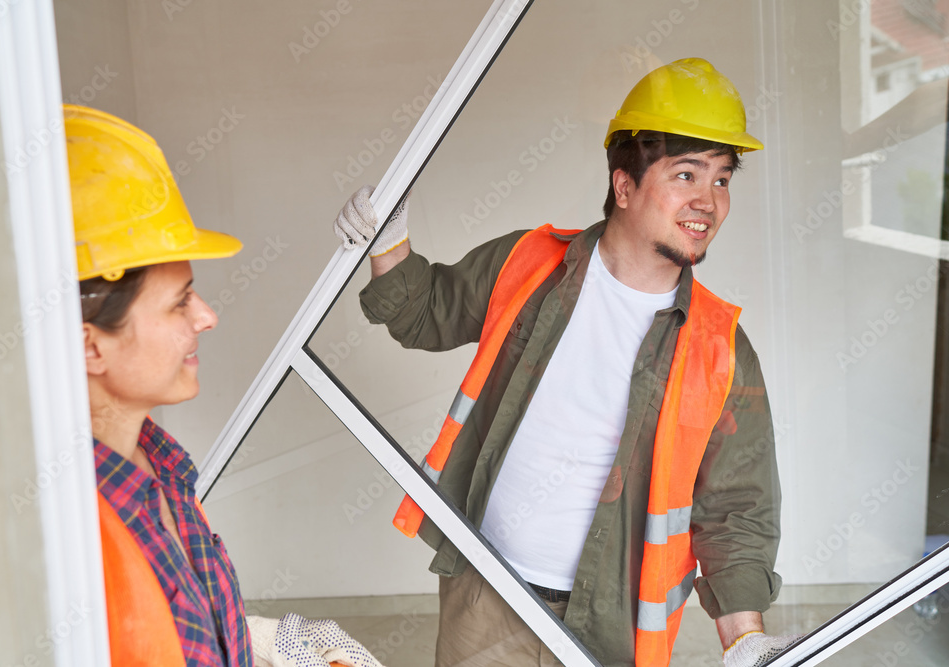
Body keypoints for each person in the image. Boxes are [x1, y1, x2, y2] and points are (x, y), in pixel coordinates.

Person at [333, 59, 796, 667]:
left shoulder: (722, 349)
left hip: (611, 625)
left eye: (722, 179)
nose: (707, 201)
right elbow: (425, 313)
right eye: (686, 174)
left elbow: (736, 508)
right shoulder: (528, 265)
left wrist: (745, 636)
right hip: (487, 593)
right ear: (624, 185)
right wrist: (386, 240)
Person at [66, 105, 382, 667]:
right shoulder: (60, 536)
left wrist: (257, 642)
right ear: (89, 346)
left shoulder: (161, 465)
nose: (207, 316)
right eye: (180, 302)